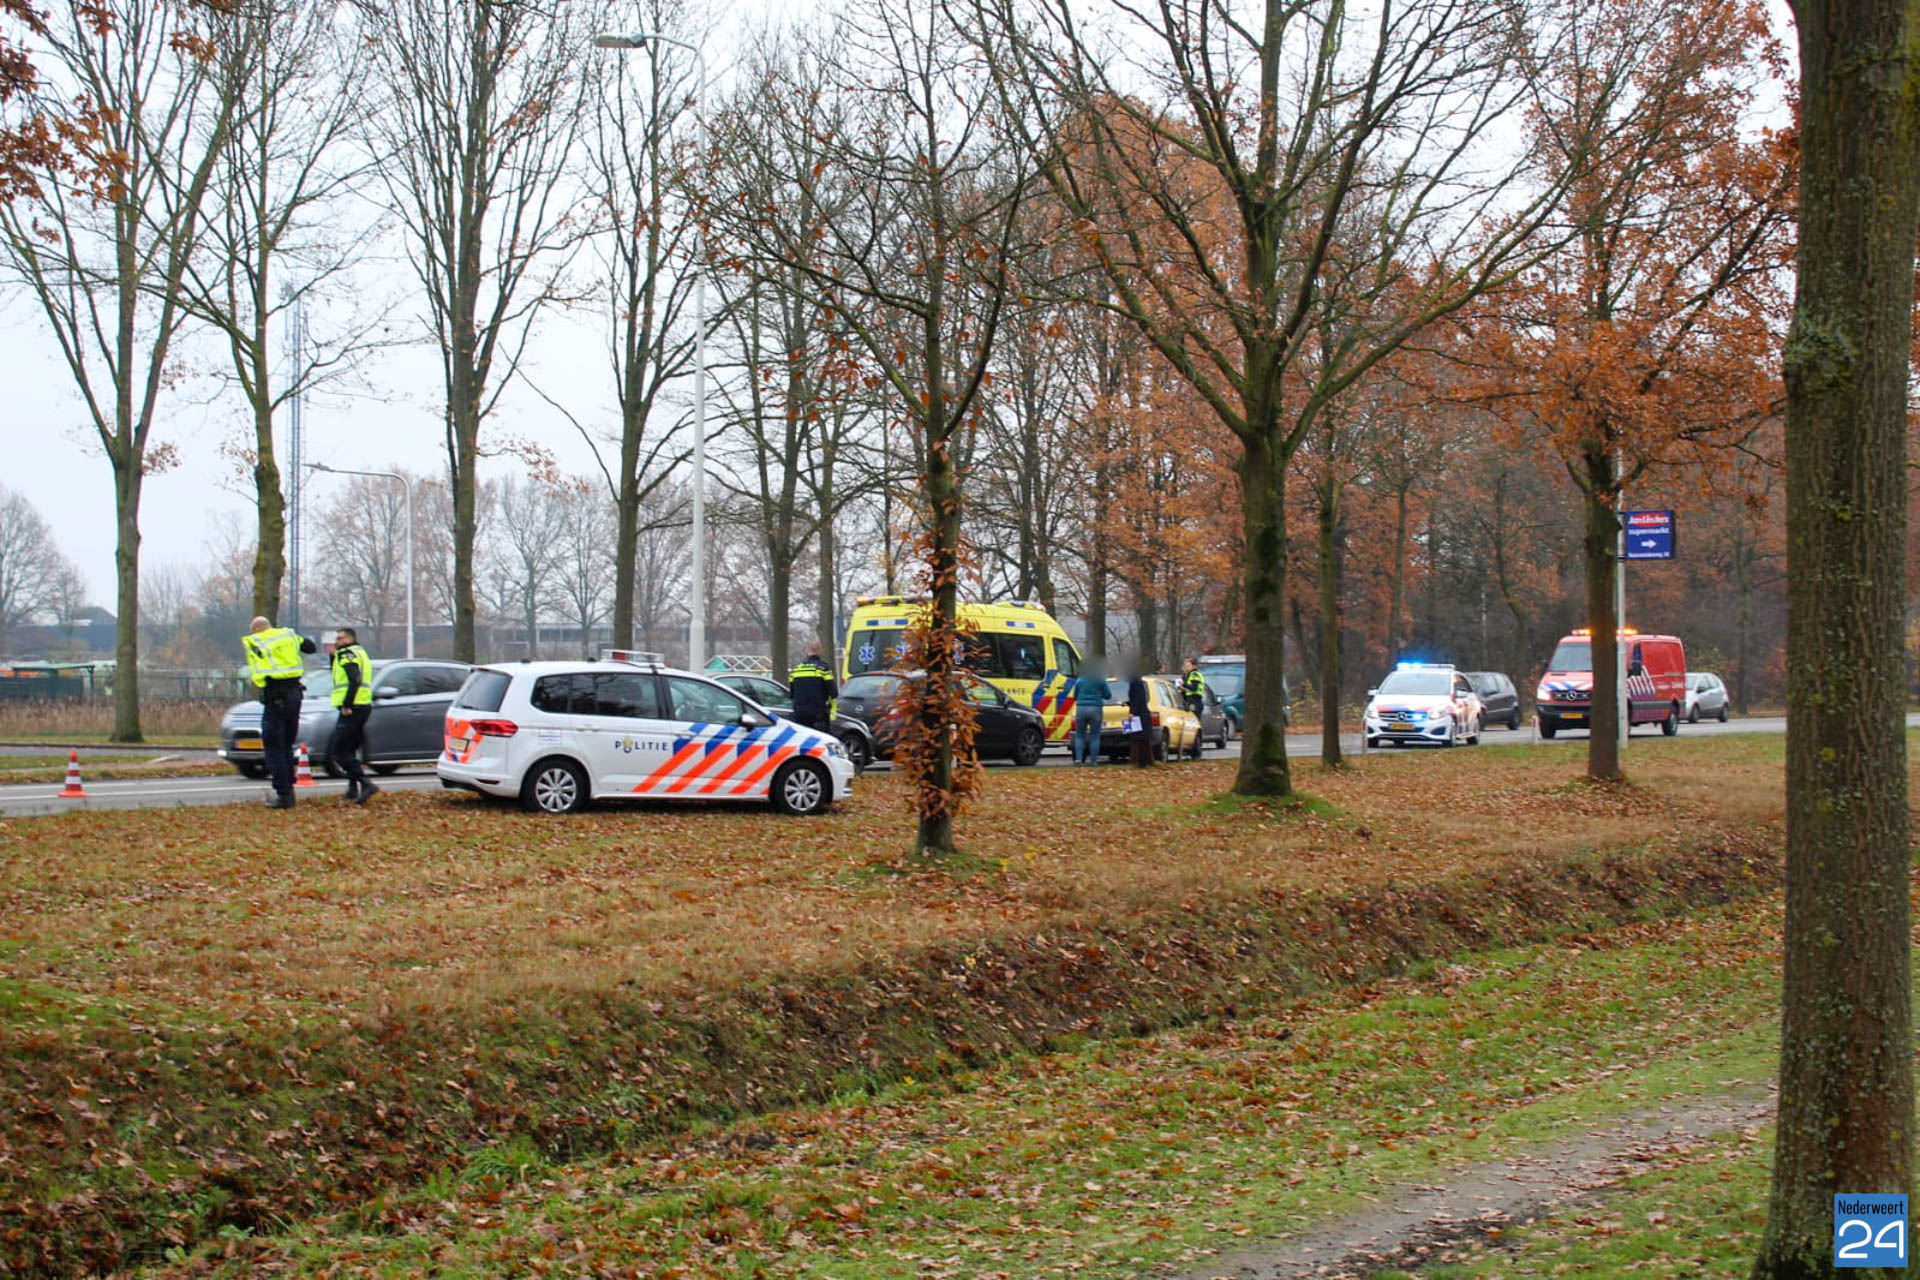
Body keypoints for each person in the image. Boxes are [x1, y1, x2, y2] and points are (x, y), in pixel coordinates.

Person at [242, 615, 316, 809]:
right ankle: (288, 791)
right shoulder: (288, 635)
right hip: (295, 694)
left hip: (276, 696)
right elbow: (311, 647)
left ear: (255, 630)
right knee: (286, 745)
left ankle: (284, 795)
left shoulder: (257, 640)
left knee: (273, 745)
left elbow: (258, 669)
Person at [329, 626, 377, 804]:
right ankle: (352, 788)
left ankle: (366, 784)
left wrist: (347, 704)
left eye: (340, 638)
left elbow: (354, 679)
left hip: (353, 707)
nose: (337, 641)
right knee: (350, 748)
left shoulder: (347, 654)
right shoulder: (359, 652)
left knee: (339, 750)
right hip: (362, 705)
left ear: (350, 638)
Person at [1069, 660, 1110, 766]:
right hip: (1096, 709)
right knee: (1095, 736)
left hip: (1081, 709)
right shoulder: (1100, 680)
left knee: (1079, 735)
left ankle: (1078, 760)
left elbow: (1075, 696)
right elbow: (1108, 695)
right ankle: (1093, 761)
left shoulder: (1080, 680)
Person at [788, 648, 837, 733]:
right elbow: (834, 693)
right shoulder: (823, 668)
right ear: (820, 653)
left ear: (807, 652)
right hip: (818, 714)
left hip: (799, 713)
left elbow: (791, 694)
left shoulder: (796, 669)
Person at [1126, 661, 1155, 768]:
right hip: (1141, 713)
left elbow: (1137, 699)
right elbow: (1138, 699)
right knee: (1142, 739)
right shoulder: (1139, 682)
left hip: (1139, 714)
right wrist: (1127, 703)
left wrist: (1132, 712)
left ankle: (1141, 761)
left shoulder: (1135, 683)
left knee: (1139, 738)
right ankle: (1145, 761)